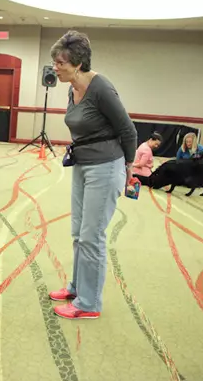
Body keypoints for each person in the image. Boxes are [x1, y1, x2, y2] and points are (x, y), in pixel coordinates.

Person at [48, 30, 138, 320]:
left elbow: (128, 130)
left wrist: (129, 168)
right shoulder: (70, 87)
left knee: (92, 236)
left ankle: (89, 303)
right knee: (78, 233)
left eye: (60, 62)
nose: (55, 67)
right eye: (55, 62)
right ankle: (77, 288)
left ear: (77, 63)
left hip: (107, 166)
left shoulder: (101, 88)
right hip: (83, 165)